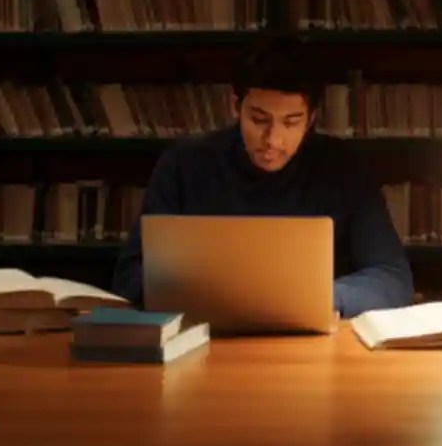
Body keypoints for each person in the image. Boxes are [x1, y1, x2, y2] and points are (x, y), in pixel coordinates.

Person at [111, 35, 414, 318]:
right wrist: (210, 294)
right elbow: (130, 276)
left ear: (311, 119)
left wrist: (322, 297)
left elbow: (392, 277)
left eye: (290, 122)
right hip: (205, 334)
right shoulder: (185, 164)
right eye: (259, 120)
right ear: (235, 107)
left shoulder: (344, 168)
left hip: (312, 340)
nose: (273, 140)